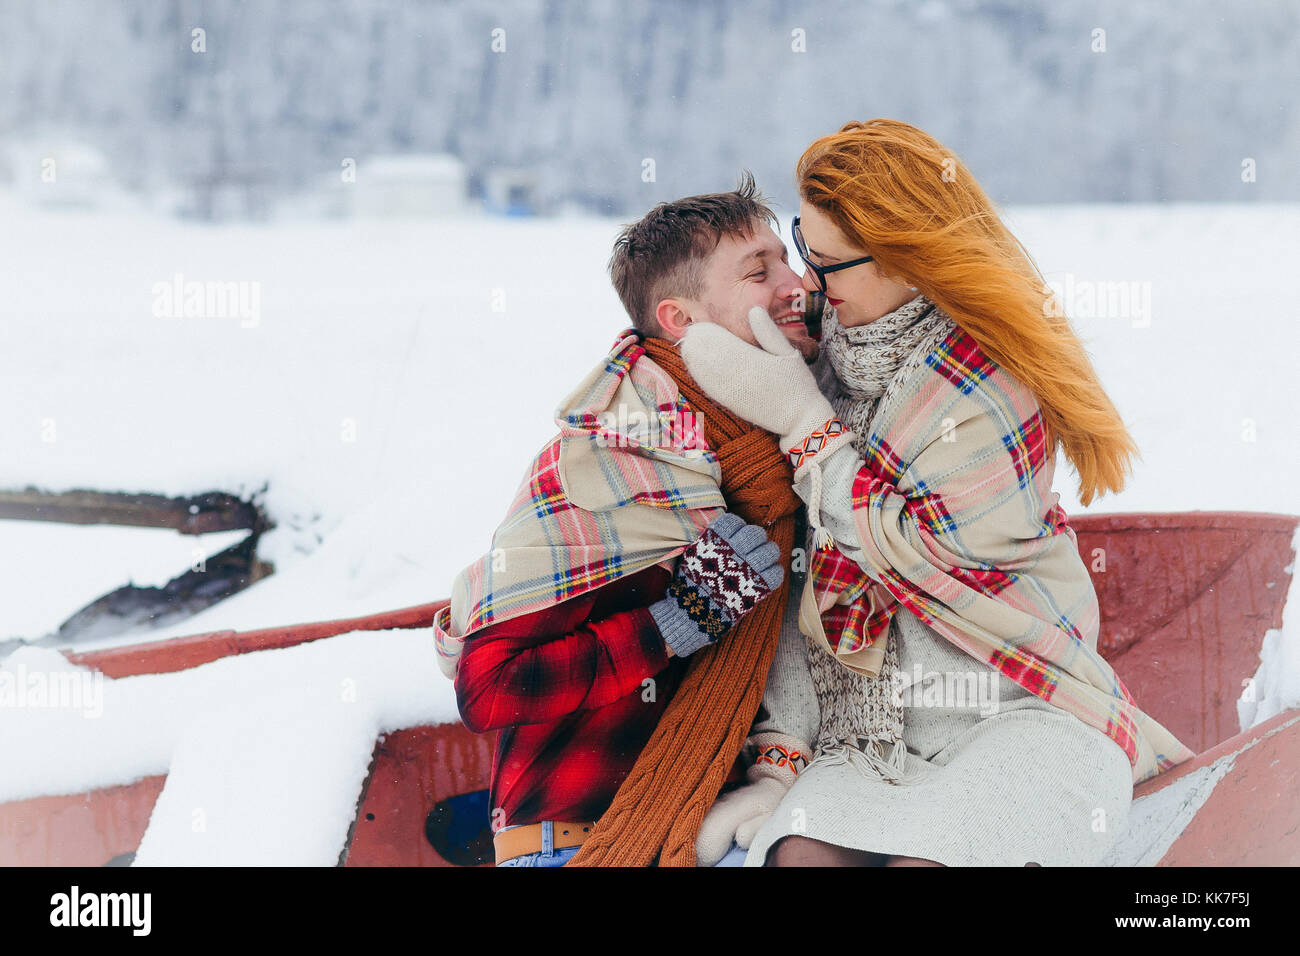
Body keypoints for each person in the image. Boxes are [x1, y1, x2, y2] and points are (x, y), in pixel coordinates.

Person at [683, 119, 1198, 867]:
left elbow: (913, 555)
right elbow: (796, 556)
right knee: (799, 861)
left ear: (904, 258)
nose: (807, 284)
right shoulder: (828, 349)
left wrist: (806, 427)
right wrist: (522, 592)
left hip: (1016, 709)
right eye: (804, 250)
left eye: (827, 265)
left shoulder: (987, 383)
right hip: (873, 734)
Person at [432, 173, 824, 867]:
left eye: (789, 260)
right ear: (679, 320)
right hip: (570, 844)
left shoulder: (789, 445)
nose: (797, 284)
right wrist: (673, 623)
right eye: (760, 272)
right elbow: (489, 685)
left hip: (716, 826)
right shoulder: (607, 460)